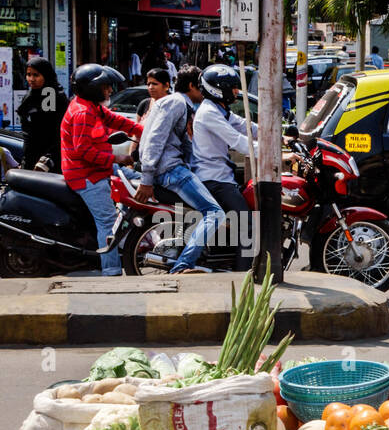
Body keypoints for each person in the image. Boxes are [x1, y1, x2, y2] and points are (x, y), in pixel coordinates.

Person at [136, 65, 225, 274]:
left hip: (171, 168)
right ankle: (183, 265)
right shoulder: (176, 103)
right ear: (192, 86)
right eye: (202, 87)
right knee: (215, 213)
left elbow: (185, 145)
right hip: (170, 171)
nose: (205, 93)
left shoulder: (179, 105)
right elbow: (155, 140)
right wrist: (146, 179)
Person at [59, 64, 142, 275]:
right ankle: (111, 272)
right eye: (106, 87)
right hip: (86, 176)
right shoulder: (82, 113)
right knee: (108, 223)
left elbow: (116, 120)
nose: (110, 91)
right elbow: (83, 151)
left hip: (99, 168)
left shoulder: (93, 107)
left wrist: (144, 131)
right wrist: (118, 157)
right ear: (93, 88)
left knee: (139, 178)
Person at [192, 64, 258, 271]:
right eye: (233, 88)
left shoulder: (220, 110)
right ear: (218, 89)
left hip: (221, 175)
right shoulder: (208, 113)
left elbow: (246, 126)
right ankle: (243, 273)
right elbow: (238, 141)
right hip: (214, 179)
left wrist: (280, 136)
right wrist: (273, 150)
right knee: (246, 223)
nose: (237, 92)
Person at [17, 56, 68, 172]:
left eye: (36, 75)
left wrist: (48, 158)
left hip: (47, 161)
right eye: (29, 74)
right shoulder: (32, 95)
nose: (31, 79)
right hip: (32, 156)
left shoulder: (49, 94)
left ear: (46, 75)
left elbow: (54, 131)